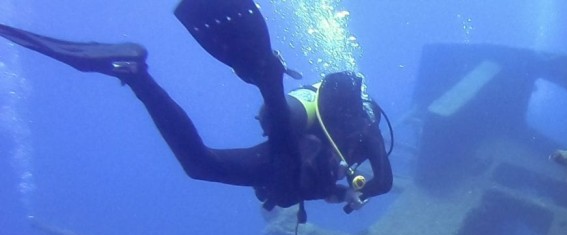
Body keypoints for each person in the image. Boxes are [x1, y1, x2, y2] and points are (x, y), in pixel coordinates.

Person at [0, 0, 392, 222]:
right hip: (286, 162)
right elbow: (384, 182)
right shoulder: (367, 129)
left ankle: (136, 74)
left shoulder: (336, 119)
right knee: (271, 181)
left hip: (279, 152)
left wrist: (345, 191)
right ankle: (268, 78)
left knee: (200, 165)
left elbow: (312, 165)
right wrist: (356, 195)